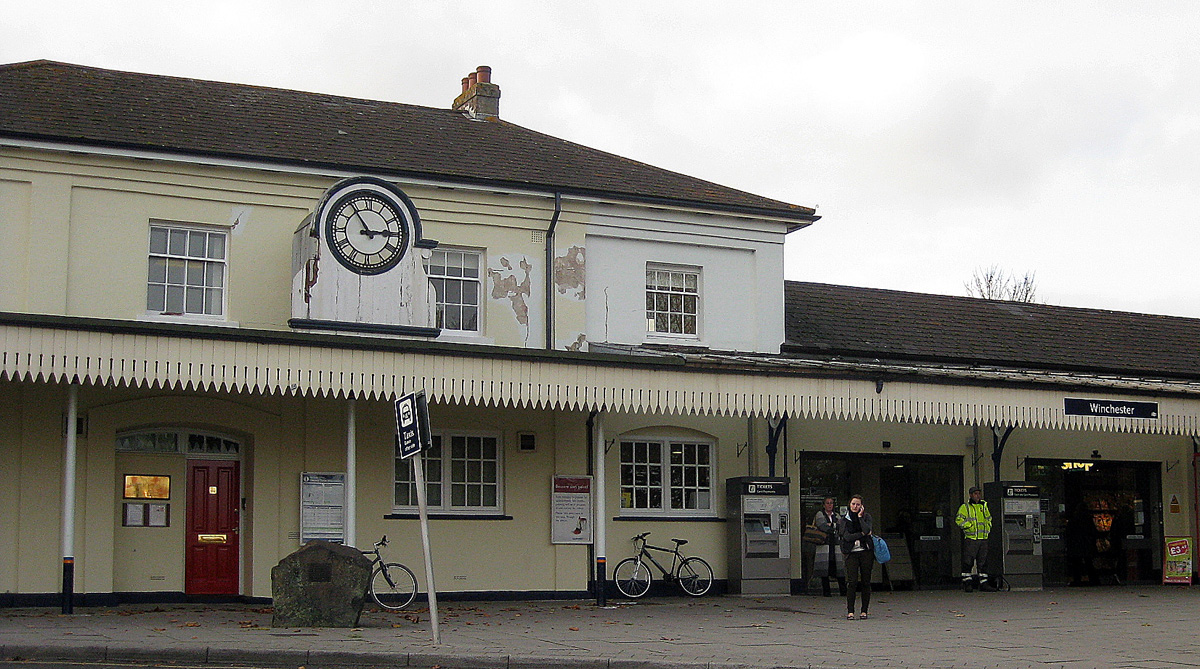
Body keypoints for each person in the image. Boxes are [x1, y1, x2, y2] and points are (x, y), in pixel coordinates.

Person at [838, 494, 874, 620]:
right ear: (849, 504)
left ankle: (864, 611)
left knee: (866, 581)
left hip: (866, 552)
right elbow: (847, 537)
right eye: (853, 504)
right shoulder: (844, 519)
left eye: (858, 504)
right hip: (851, 553)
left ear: (861, 506)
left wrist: (860, 518)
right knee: (852, 582)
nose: (855, 506)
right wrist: (862, 534)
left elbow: (867, 529)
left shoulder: (866, 517)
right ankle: (850, 611)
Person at [955, 486, 994, 592]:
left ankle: (984, 583)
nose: (978, 496)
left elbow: (989, 519)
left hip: (983, 538)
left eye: (979, 493)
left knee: (983, 562)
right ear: (971, 495)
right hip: (971, 538)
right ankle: (967, 583)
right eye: (975, 493)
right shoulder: (965, 507)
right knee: (968, 562)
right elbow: (959, 520)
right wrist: (969, 526)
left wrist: (988, 528)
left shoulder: (984, 506)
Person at [811, 497, 846, 597]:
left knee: (839, 569)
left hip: (835, 546)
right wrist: (833, 527)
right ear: (824, 505)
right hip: (824, 546)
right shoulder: (819, 514)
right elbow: (822, 526)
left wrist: (832, 525)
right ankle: (826, 592)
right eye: (827, 503)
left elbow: (841, 527)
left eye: (831, 503)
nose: (830, 505)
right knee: (824, 570)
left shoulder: (837, 515)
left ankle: (843, 591)